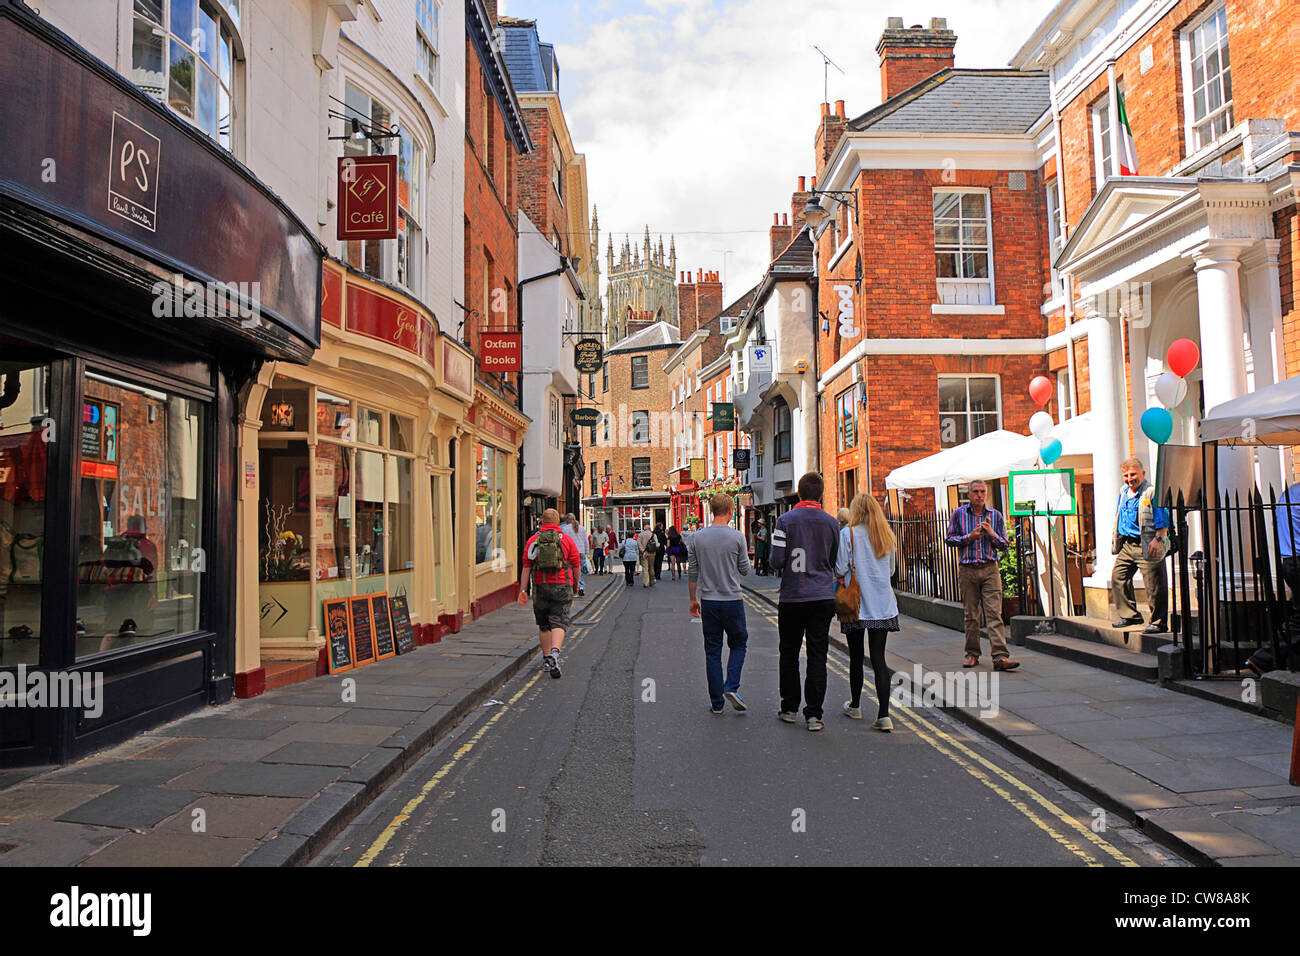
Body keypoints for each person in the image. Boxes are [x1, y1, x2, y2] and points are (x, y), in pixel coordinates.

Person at [769, 472, 841, 731]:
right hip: (821, 597)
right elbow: (834, 560)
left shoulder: (785, 521)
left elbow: (776, 561)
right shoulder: (832, 523)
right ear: (821, 495)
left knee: (788, 653)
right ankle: (814, 715)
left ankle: (789, 708)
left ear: (798, 494)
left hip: (793, 597)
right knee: (817, 655)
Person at [836, 494, 900, 732]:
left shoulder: (848, 534)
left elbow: (841, 567)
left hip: (856, 605)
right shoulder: (887, 536)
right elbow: (891, 570)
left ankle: (855, 705)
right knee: (879, 659)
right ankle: (884, 715)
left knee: (855, 657)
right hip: (882, 605)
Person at [945, 480, 1020, 671]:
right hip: (968, 569)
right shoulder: (958, 514)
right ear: (969, 494)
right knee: (971, 615)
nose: (979, 495)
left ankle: (1000, 657)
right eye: (976, 491)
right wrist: (969, 537)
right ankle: (972, 654)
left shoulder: (995, 515)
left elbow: (1004, 544)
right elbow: (949, 539)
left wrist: (992, 534)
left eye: (982, 492)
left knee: (995, 613)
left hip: (989, 569)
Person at [688, 494, 752, 715]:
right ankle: (731, 686)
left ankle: (717, 703)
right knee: (739, 643)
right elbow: (745, 569)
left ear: (712, 510)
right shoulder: (737, 537)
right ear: (730, 510)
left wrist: (693, 600)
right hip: (733, 600)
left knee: (712, 651)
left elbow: (693, 571)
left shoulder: (697, 537)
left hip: (709, 601)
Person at [518, 507, 581, 679]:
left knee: (544, 624)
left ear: (542, 522)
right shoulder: (566, 540)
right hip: (562, 585)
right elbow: (576, 565)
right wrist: (575, 585)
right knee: (559, 622)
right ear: (556, 522)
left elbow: (526, 567)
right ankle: (555, 653)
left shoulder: (533, 540)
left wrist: (523, 590)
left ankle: (546, 660)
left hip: (540, 586)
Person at [1110, 458, 1170, 634]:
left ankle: (1158, 622)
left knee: (1154, 585)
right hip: (1128, 544)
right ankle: (1130, 615)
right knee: (1118, 577)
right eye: (1126, 475)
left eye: (1133, 474)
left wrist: (1158, 539)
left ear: (1143, 474)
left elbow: (1162, 517)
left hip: (1148, 542)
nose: (1130, 478)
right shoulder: (1123, 492)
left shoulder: (1151, 492)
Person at [1249, 482, 1300, 676]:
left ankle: (1266, 658)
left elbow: (1276, 525)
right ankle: (1264, 658)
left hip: (1288, 560)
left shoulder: (1288, 494)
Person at [560, 513, 589, 597]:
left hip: (571, 552)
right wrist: (586, 553)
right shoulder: (582, 528)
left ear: (568, 520)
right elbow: (586, 541)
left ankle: (575, 589)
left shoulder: (565, 529)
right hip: (581, 552)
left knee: (572, 572)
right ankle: (581, 587)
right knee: (580, 572)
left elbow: (564, 542)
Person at [637, 522, 658, 587]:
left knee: (645, 568)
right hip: (652, 553)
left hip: (644, 554)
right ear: (649, 528)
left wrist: (643, 551)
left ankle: (646, 583)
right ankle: (651, 581)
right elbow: (657, 545)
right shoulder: (653, 535)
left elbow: (639, 543)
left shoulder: (640, 535)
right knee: (651, 567)